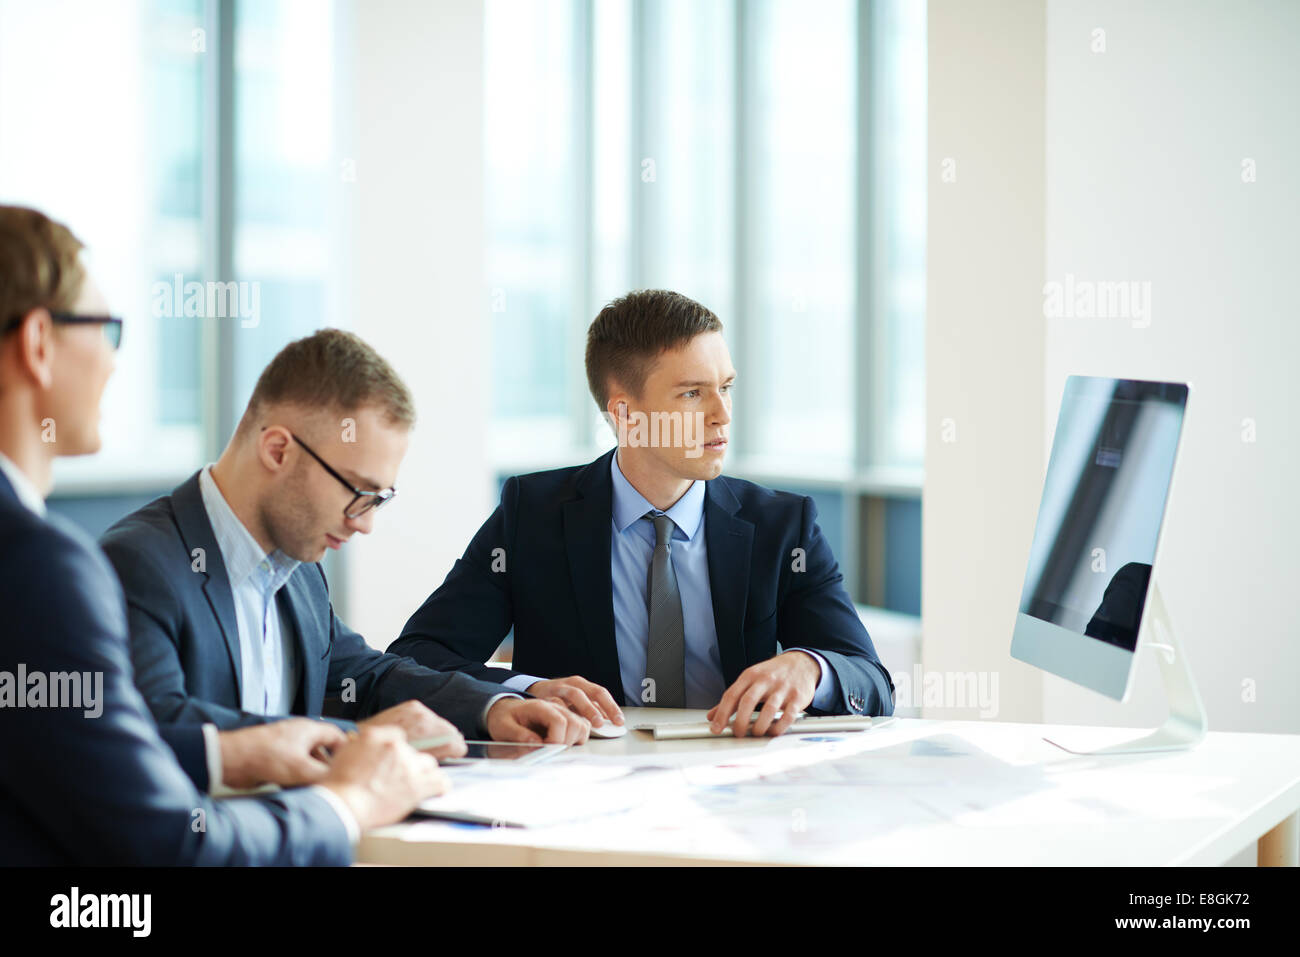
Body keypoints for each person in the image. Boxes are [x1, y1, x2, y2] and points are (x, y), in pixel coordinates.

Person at [0, 204, 444, 864]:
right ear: (39, 342)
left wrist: (226, 751)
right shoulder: (43, 565)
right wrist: (346, 803)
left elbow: (45, 743)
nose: (116, 364)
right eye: (106, 329)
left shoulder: (298, 574)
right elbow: (164, 844)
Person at [391, 289, 895, 738]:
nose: (723, 413)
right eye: (693, 393)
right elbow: (415, 656)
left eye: (727, 386)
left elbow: (870, 682)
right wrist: (528, 688)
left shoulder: (783, 526)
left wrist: (810, 667)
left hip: (738, 784)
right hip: (584, 785)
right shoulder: (534, 515)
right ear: (626, 415)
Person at [100, 328, 589, 748]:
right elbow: (162, 729)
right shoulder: (139, 565)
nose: (364, 522)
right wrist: (358, 742)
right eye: (359, 491)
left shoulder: (297, 570)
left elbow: (367, 675)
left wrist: (494, 706)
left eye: (379, 498)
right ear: (277, 451)